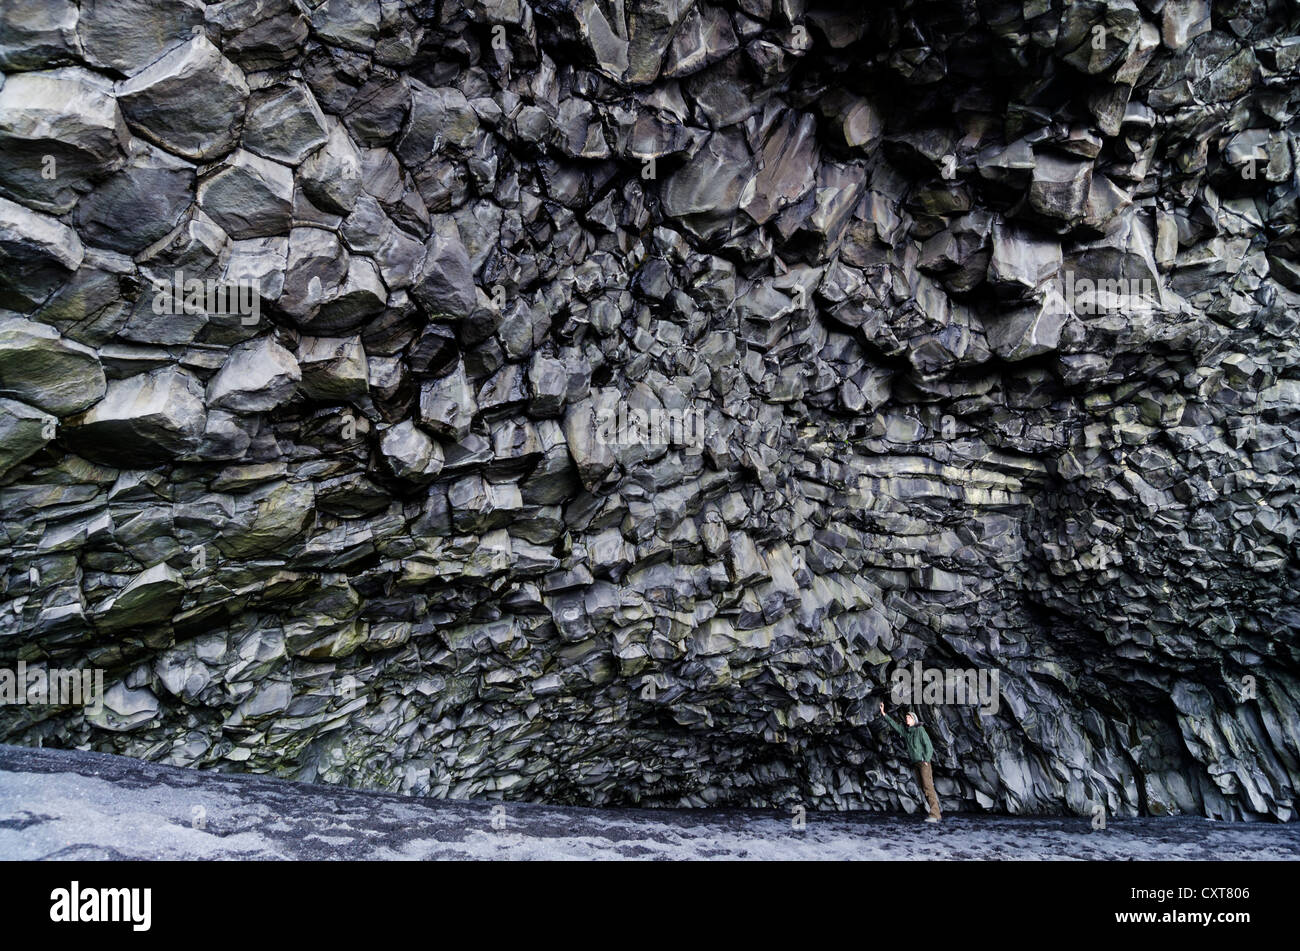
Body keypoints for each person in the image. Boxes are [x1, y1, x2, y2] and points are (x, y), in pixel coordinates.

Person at [879, 701, 941, 822]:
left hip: (923, 763)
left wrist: (926, 760)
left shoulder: (920, 730)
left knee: (928, 788)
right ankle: (933, 813)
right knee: (924, 789)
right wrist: (883, 713)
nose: (907, 719)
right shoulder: (907, 732)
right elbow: (895, 726)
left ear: (914, 720)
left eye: (909, 717)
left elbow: (929, 746)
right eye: (906, 717)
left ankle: (935, 815)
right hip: (915, 763)